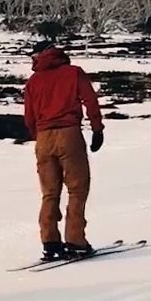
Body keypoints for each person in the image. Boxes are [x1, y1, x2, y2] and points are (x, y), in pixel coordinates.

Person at [22, 41, 104, 260]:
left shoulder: (32, 82)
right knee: (77, 189)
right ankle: (76, 240)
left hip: (43, 138)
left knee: (50, 192)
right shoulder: (74, 73)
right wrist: (97, 128)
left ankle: (50, 242)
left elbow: (29, 117)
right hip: (69, 134)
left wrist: (38, 137)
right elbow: (91, 101)